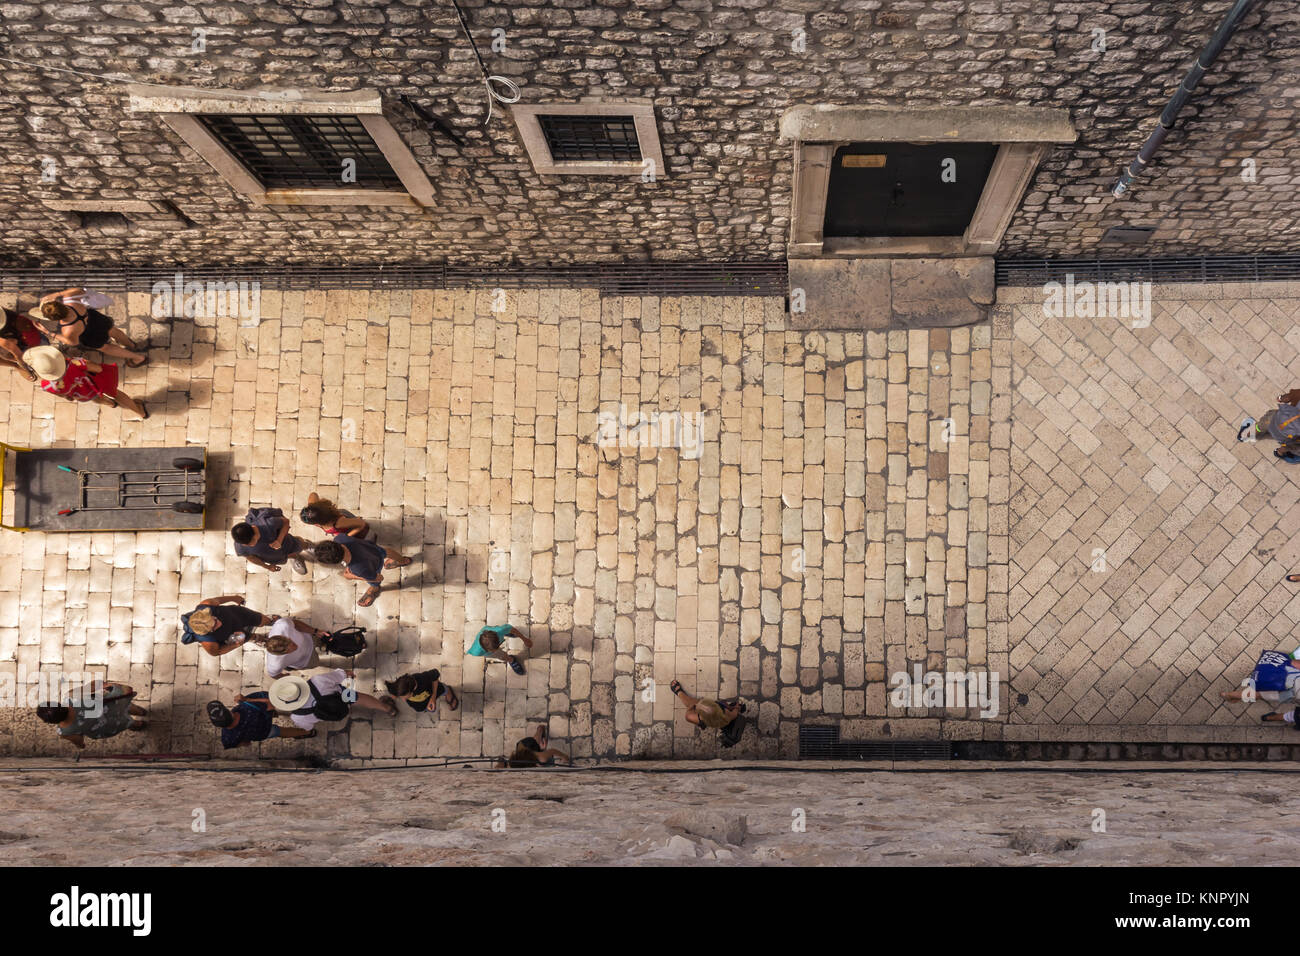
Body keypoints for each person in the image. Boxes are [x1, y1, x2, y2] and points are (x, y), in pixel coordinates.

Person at [23, 345, 148, 419]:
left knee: (95, 398)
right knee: (118, 394)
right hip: (97, 384)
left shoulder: (46, 385)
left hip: (82, 394)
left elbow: (64, 395)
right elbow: (97, 369)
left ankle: (111, 404)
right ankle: (140, 412)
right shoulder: (74, 363)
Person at [36, 288, 146, 366]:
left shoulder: (67, 329)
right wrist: (57, 294)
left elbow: (73, 342)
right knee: (113, 330)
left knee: (106, 347)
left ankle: (138, 358)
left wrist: (49, 333)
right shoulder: (70, 299)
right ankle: (131, 345)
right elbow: (81, 290)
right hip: (95, 319)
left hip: (90, 335)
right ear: (58, 303)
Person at [35, 679, 147, 750]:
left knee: (123, 722)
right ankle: (141, 712)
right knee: (124, 707)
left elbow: (79, 742)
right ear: (57, 704)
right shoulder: (71, 696)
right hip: (112, 706)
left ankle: (136, 724)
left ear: (51, 721)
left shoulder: (64, 731)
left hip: (110, 725)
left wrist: (80, 746)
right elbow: (95, 685)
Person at [268, 670, 398, 731]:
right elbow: (344, 674)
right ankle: (388, 709)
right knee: (360, 698)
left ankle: (347, 709)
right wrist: (350, 678)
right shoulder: (316, 682)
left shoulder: (298, 717)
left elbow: (309, 727)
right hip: (343, 696)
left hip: (334, 711)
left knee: (346, 703)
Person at [313, 535, 413, 608]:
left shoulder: (358, 570)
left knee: (373, 580)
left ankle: (374, 589)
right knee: (386, 551)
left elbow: (379, 577)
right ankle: (402, 560)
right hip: (374, 550)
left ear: (336, 562)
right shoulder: (340, 538)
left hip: (374, 567)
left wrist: (352, 576)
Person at [206, 693, 315, 749]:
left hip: (263, 732)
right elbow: (269, 704)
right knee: (270, 711)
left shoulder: (227, 738)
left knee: (278, 731)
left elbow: (245, 743)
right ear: (229, 712)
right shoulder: (246, 708)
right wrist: (246, 700)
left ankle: (307, 733)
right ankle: (302, 728)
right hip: (264, 717)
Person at [182, 595, 277, 657]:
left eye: (215, 619)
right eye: (214, 627)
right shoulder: (208, 641)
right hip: (232, 634)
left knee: (261, 619)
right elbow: (217, 652)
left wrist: (234, 598)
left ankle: (269, 620)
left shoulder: (207, 605)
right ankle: (257, 638)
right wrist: (236, 644)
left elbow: (218, 600)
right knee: (247, 636)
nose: (219, 623)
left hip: (237, 614)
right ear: (209, 632)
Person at [231, 506, 311, 574]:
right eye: (247, 545)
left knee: (299, 544)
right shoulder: (240, 546)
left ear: (253, 529)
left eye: (252, 541)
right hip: (274, 556)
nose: (251, 545)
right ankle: (295, 558)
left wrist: (279, 540)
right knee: (289, 555)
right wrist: (267, 566)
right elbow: (250, 557)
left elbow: (286, 522)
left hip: (287, 543)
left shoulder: (269, 523)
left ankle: (307, 545)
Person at [1221, 648, 1300, 716]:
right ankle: (1230, 695)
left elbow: (1295, 664)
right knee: (1260, 694)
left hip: (1288, 677)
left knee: (1264, 688)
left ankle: (1234, 695)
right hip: (1289, 688)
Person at [252, 617, 327, 678]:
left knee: (324, 639)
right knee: (317, 663)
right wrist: (285, 677)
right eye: (290, 650)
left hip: (309, 638)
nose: (296, 646)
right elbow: (274, 675)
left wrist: (315, 631)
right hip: (306, 660)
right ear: (282, 654)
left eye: (291, 642)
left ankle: (324, 645)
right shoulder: (275, 664)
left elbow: (296, 623)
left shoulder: (282, 625)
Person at [1241, 387, 1300, 462]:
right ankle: (1279, 453)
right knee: (1292, 446)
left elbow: (1285, 398)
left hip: (1273, 420)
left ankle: (1247, 434)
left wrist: (1280, 398)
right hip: (1285, 438)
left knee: (1261, 426)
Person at [668, 679, 745, 730]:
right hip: (718, 719)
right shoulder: (728, 716)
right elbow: (735, 711)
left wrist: (691, 706)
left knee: (690, 703)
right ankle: (684, 696)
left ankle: (679, 692)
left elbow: (688, 712)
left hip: (703, 718)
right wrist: (736, 707)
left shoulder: (693, 717)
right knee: (722, 705)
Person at [0, 306, 46, 381]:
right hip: (38, 338)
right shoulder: (8, 314)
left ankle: (18, 366)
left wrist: (25, 368)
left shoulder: (3, 340)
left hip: (34, 348)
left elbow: (19, 355)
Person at [467, 623, 533, 675]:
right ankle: (511, 660)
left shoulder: (500, 630)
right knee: (501, 655)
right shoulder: (477, 652)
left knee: (508, 630)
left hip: (497, 633)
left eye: (498, 646)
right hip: (487, 652)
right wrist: (495, 652)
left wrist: (524, 639)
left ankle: (507, 632)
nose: (498, 648)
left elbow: (513, 629)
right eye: (494, 649)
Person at [300, 492, 372, 539]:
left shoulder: (313, 518)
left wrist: (346, 536)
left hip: (342, 528)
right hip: (343, 523)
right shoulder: (338, 522)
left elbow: (361, 524)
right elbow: (313, 494)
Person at [385, 669, 459, 714]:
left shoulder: (422, 679)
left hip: (431, 691)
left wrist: (433, 697)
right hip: (421, 701)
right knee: (423, 708)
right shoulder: (398, 687)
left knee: (442, 689)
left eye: (405, 697)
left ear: (412, 690)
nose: (404, 700)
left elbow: (435, 674)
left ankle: (448, 691)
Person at [495, 723, 569, 768]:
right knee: (538, 747)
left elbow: (552, 751)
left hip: (526, 744)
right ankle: (541, 747)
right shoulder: (512, 766)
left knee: (536, 739)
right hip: (522, 749)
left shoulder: (540, 758)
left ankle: (540, 729)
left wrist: (564, 756)